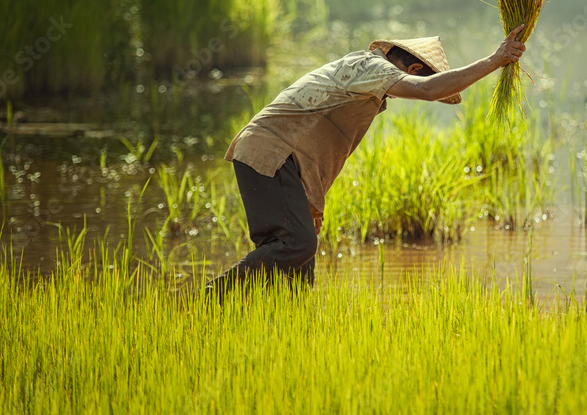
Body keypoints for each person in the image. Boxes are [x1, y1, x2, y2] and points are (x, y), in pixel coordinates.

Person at [205, 24, 527, 295]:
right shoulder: (373, 68)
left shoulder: (362, 78)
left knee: (298, 268)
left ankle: (283, 331)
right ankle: (209, 299)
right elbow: (430, 90)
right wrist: (494, 60)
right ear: (412, 69)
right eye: (412, 80)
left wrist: (310, 204)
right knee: (297, 246)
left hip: (275, 156)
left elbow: (315, 140)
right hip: (269, 153)